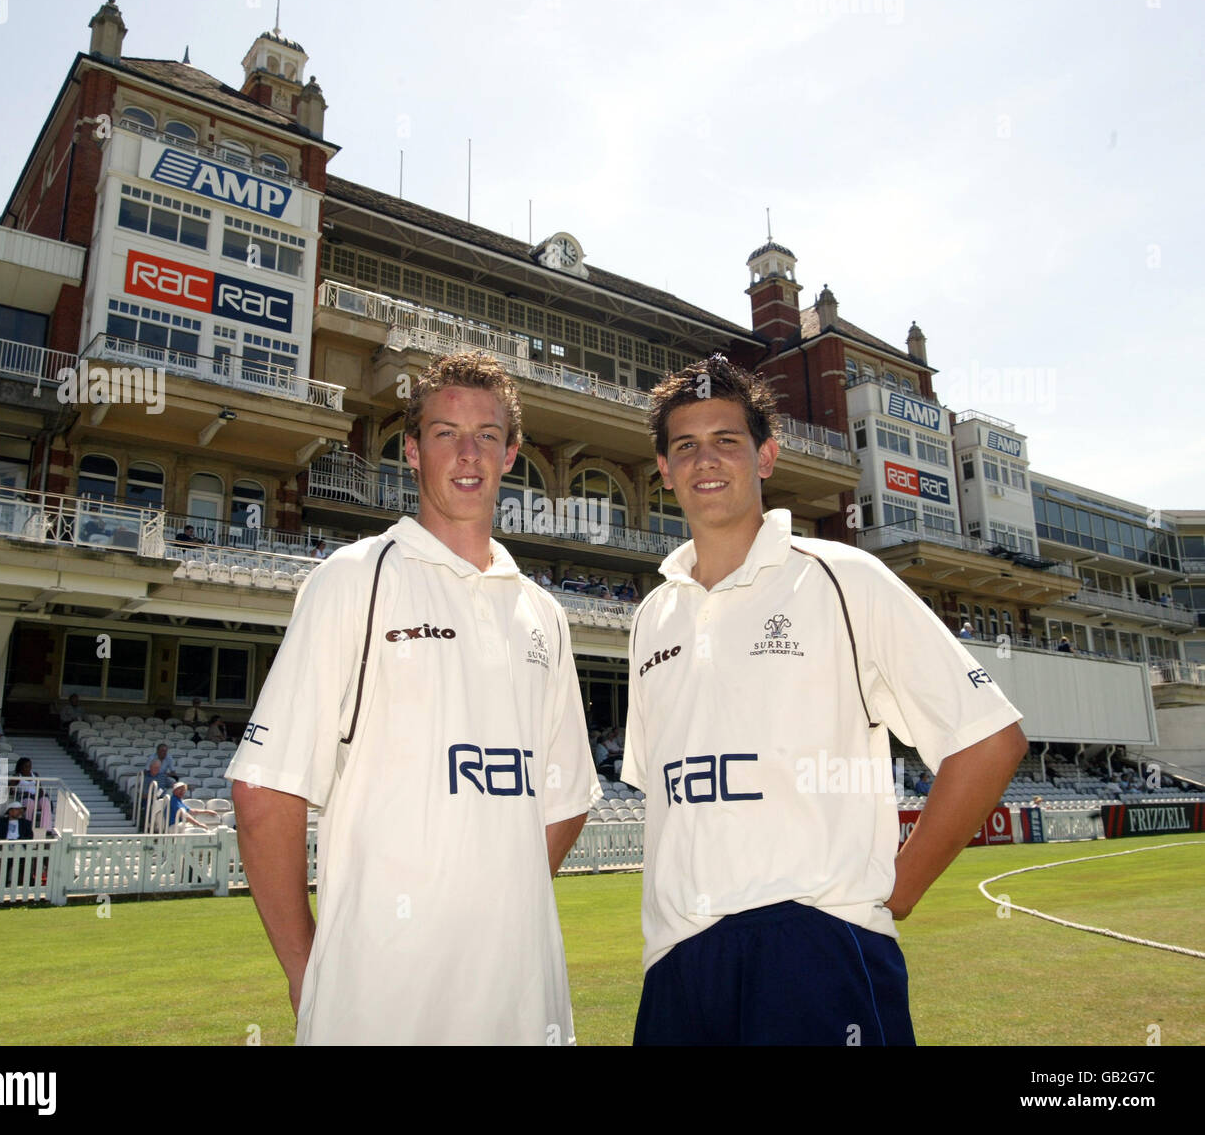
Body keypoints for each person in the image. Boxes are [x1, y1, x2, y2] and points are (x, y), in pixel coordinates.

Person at [622, 356, 1026, 1046]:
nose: (705, 460)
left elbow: (990, 740)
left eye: (727, 440)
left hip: (815, 947)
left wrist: (897, 890)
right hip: (677, 962)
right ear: (663, 468)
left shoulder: (844, 577)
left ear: (766, 455)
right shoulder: (652, 616)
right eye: (685, 446)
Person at [228, 350, 596, 1045]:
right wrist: (309, 972)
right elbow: (264, 792)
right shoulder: (354, 579)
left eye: (487, 435)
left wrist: (492, 903)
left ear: (511, 454)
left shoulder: (542, 612)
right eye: (444, 432)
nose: (468, 453)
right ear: (411, 450)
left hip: (524, 1003)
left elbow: (566, 798)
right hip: (376, 1005)